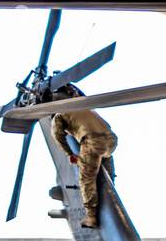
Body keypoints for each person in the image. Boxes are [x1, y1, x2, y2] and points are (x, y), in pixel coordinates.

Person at [49, 96, 117, 228]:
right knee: (103, 164)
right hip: (111, 140)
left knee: (86, 179)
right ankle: (110, 190)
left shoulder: (59, 115)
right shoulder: (83, 108)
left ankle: (91, 217)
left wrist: (69, 154)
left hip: (93, 142)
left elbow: (57, 136)